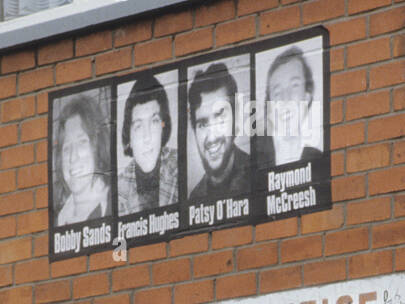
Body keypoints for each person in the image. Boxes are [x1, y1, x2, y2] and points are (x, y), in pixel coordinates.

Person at [188, 62, 251, 203]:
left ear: (236, 118)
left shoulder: (258, 177)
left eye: (220, 117)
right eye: (202, 124)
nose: (212, 137)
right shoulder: (194, 199)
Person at [117, 72, 178, 215]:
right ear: (129, 137)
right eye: (138, 126)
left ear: (163, 127)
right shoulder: (118, 190)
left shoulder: (180, 166)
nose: (147, 137)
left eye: (154, 121)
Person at [256, 46, 323, 170]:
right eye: (277, 92)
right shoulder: (254, 157)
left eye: (294, 86)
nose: (285, 98)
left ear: (307, 96)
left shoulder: (318, 160)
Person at [54, 94, 112, 226]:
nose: (73, 157)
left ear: (97, 147)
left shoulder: (115, 205)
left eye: (82, 143)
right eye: (67, 148)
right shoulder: (59, 219)